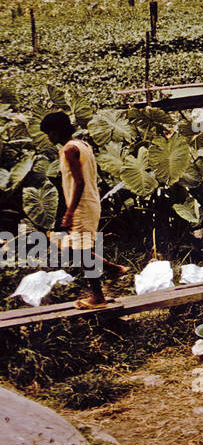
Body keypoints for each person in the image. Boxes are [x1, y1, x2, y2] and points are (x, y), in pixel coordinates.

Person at [39, 111, 127, 309]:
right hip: (90, 203)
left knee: (82, 252)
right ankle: (113, 268)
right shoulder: (82, 145)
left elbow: (79, 183)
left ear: (58, 131)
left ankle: (98, 298)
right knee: (72, 247)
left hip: (80, 206)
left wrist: (70, 212)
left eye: (49, 132)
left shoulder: (70, 150)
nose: (47, 137)